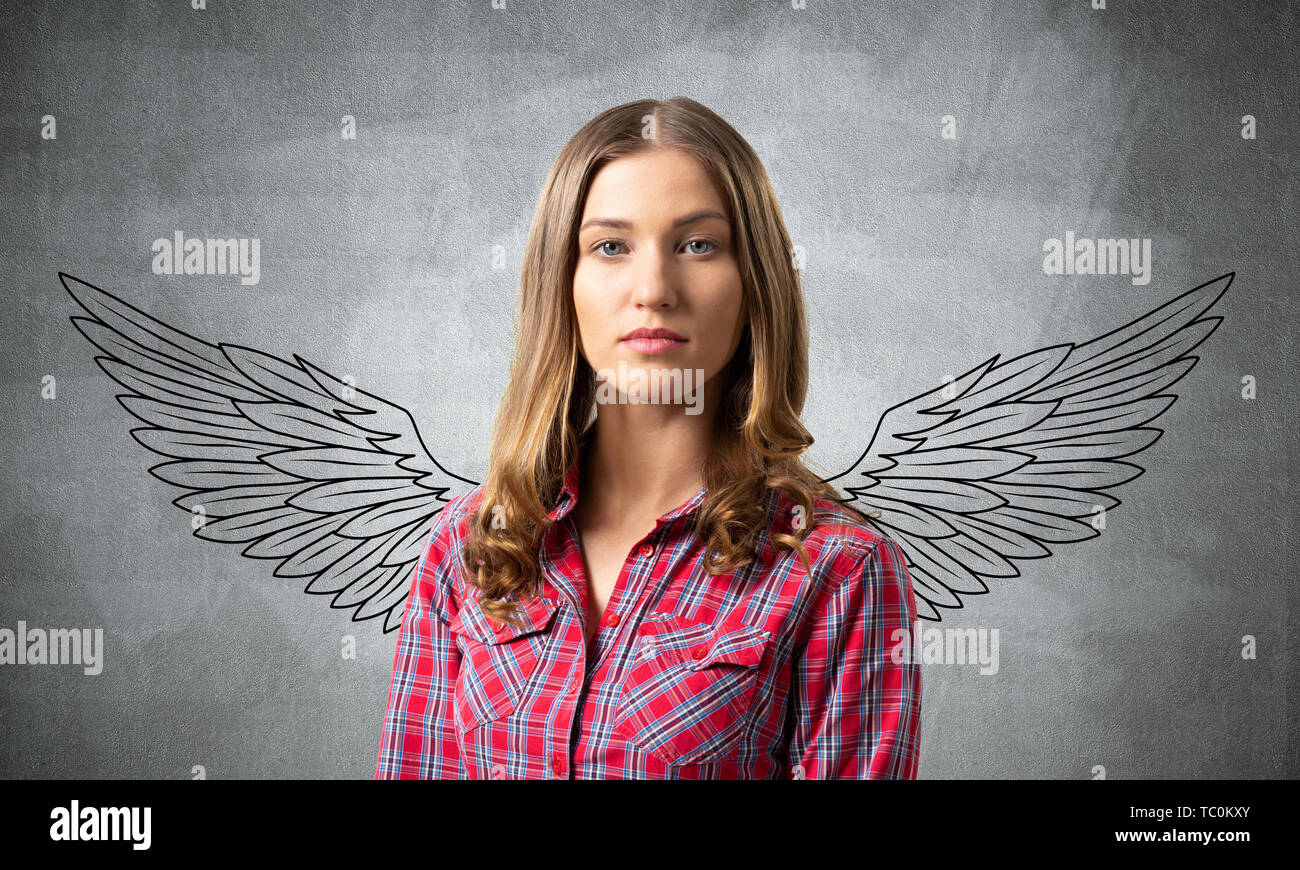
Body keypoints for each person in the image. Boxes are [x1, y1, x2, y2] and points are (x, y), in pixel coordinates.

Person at [375, 97, 921, 779]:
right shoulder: (469, 546)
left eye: (698, 245)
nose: (654, 289)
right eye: (610, 246)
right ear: (562, 282)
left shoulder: (840, 569)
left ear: (755, 284)